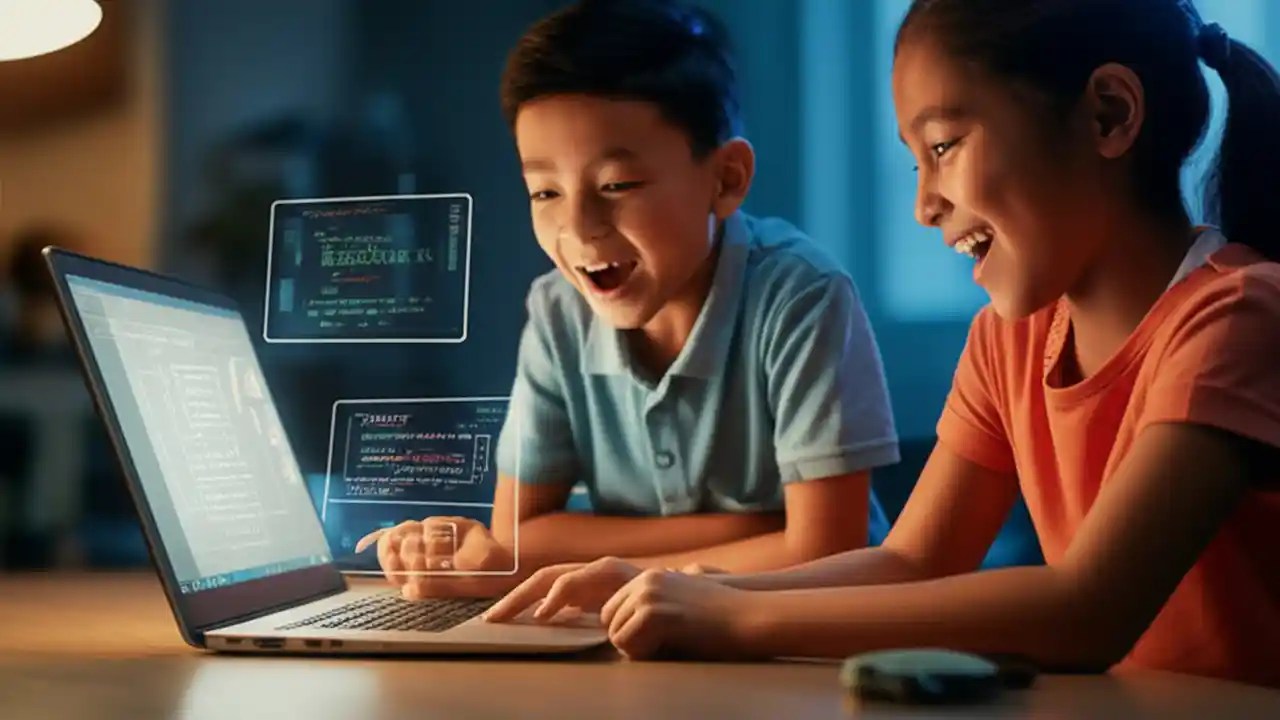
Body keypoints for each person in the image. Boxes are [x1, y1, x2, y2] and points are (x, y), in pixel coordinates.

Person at [483, 0, 1280, 688]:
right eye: (913, 161)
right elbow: (911, 562)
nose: (923, 205)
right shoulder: (1009, 338)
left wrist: (734, 619)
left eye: (943, 148)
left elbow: (1089, 609)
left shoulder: (1236, 317)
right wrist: (672, 589)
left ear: (1108, 114)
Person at [361, 0, 899, 600]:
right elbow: (520, 533)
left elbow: (827, 551)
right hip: (632, 632)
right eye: (544, 192)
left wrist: (608, 564)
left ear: (725, 180)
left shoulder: (802, 297)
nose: (579, 228)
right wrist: (758, 530)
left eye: (617, 185)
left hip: (808, 631)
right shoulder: (558, 312)